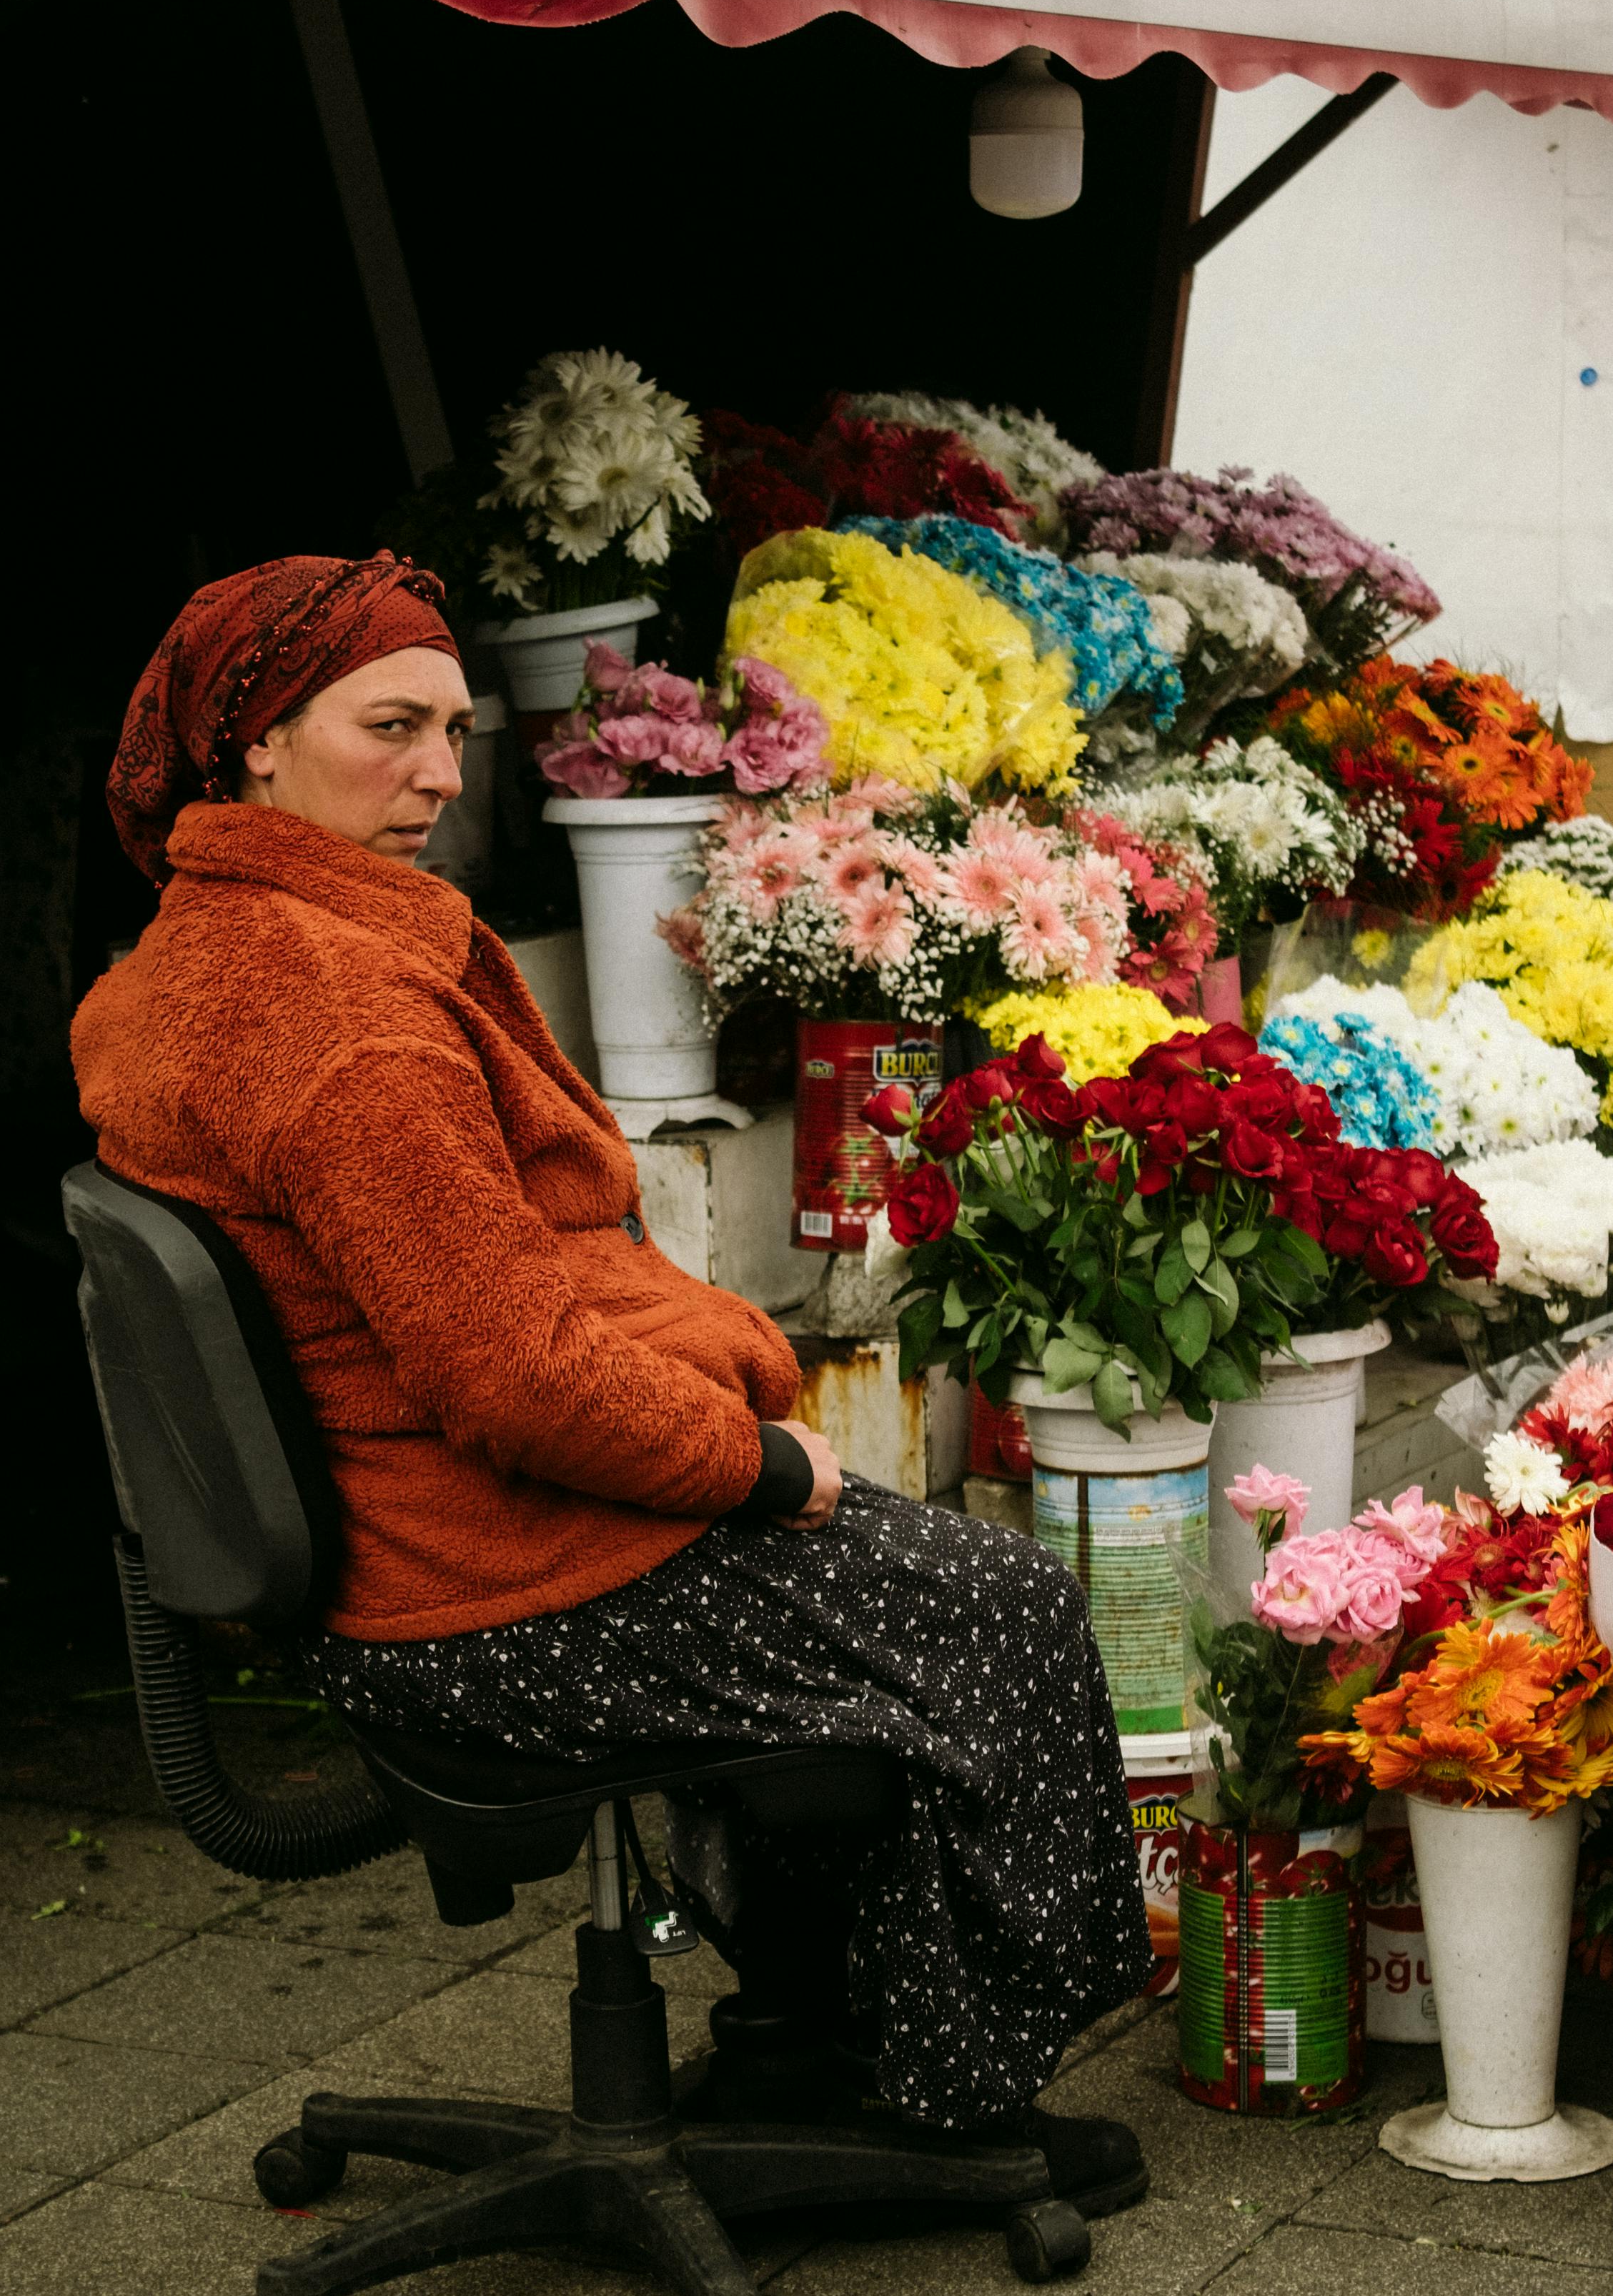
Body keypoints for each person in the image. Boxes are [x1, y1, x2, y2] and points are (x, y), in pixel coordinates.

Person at [73, 551, 1153, 2200]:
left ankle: (803, 2033)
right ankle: (944, 2104)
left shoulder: (177, 968)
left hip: (405, 1566)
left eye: (456, 731)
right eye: (393, 727)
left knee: (885, 1585)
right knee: (993, 1604)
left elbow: (478, 1309)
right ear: (253, 745)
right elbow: (517, 1377)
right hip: (491, 1597)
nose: (440, 774)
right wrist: (774, 1468)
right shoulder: (338, 1015)